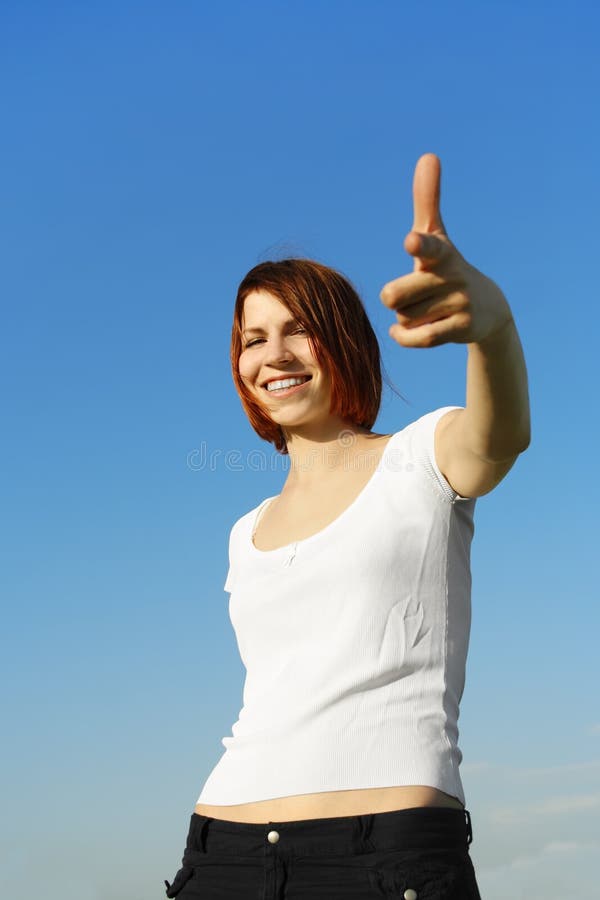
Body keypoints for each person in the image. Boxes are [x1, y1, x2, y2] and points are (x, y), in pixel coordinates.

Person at [164, 153, 530, 898]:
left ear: (343, 340)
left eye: (297, 329)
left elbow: (500, 440)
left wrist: (491, 328)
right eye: (252, 338)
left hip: (383, 854)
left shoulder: (422, 456)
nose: (273, 355)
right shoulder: (246, 530)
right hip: (221, 853)